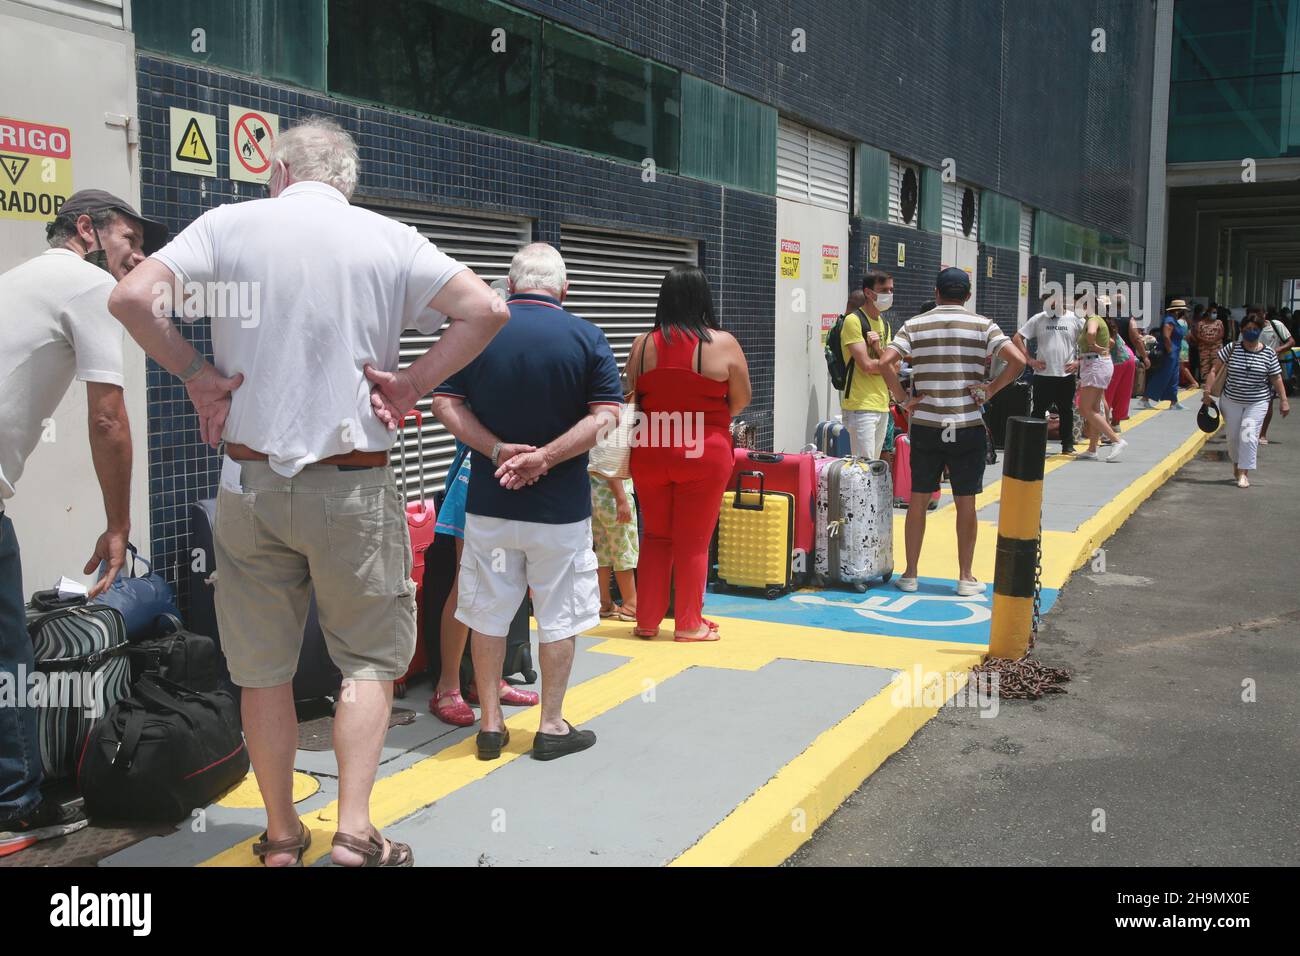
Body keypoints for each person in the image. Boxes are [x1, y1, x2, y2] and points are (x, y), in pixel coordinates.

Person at [109, 117, 508, 867]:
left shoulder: (226, 225)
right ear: (343, 181)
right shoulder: (388, 238)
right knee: (366, 662)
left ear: (281, 172)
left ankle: (283, 836)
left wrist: (198, 376)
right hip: (353, 487)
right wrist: (415, 381)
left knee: (261, 672)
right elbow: (487, 309)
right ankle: (353, 834)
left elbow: (132, 298)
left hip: (249, 484)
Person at [0, 190, 164, 859]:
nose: (139, 254)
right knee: (6, 654)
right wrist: (119, 525)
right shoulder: (89, 285)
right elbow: (108, 418)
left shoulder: (18, 282)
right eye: (130, 238)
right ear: (89, 231)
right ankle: (14, 806)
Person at [430, 242, 622, 763]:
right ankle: (551, 726)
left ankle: (491, 725)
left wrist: (494, 449)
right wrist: (548, 458)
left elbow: (444, 401)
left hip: (490, 506)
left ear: (509, 286)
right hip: (559, 514)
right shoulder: (587, 337)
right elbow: (606, 415)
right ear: (564, 289)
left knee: (487, 612)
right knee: (559, 616)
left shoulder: (478, 333)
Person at [879, 267, 1026, 596]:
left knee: (918, 500)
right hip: (966, 425)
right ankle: (965, 576)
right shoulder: (983, 325)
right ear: (968, 296)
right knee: (966, 502)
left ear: (936, 293)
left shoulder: (915, 325)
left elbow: (885, 363)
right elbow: (1017, 360)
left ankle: (911, 574)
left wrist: (903, 400)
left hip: (928, 425)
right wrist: (990, 389)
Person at [627, 264, 751, 642]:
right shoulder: (723, 343)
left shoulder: (642, 344)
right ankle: (688, 623)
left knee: (656, 536)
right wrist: (707, 422)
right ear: (703, 297)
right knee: (694, 539)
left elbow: (630, 395)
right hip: (703, 449)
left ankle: (647, 620)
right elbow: (741, 399)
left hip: (650, 448)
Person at [428, 441, 540, 727]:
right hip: (478, 473)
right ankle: (447, 685)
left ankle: (486, 681)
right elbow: (449, 407)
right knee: (468, 582)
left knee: (500, 585)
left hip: (514, 479)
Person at [1202, 314, 1289, 488]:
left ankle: (1244, 472)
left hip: (1257, 402)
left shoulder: (1269, 353)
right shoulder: (1232, 348)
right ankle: (1236, 465)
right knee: (1234, 437)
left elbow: (1276, 378)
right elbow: (1214, 370)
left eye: (1255, 329)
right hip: (1231, 400)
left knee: (1248, 434)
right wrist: (1207, 391)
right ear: (1241, 331)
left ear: (1260, 330)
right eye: (1247, 329)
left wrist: (1284, 400)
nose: (1251, 332)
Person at [1014, 289, 1083, 455]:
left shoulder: (1074, 319)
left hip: (1065, 375)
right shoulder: (1039, 319)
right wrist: (1029, 360)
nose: (1050, 308)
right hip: (1043, 375)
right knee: (1038, 411)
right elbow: (1017, 338)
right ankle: (1034, 444)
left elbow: (1090, 341)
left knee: (1066, 410)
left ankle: (1067, 444)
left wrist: (1078, 362)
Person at [839, 272, 895, 459]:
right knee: (864, 467)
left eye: (891, 289)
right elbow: (866, 365)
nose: (889, 294)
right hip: (860, 404)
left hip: (881, 404)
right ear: (869, 293)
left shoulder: (884, 324)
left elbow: (895, 368)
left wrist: (879, 349)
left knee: (874, 467)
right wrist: (885, 364)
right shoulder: (853, 321)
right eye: (884, 290)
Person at [1073, 302, 1127, 462]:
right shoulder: (1101, 320)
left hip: (1094, 365)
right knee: (1094, 409)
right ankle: (1092, 449)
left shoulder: (1093, 319)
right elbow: (1109, 342)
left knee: (1085, 409)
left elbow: (1091, 333)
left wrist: (1093, 346)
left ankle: (1116, 440)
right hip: (1099, 364)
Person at [590, 471, 639, 621]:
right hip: (614, 498)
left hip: (595, 496)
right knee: (623, 550)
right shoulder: (612, 445)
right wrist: (621, 498)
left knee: (602, 552)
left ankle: (604, 602)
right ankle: (631, 605)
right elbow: (611, 468)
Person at [1142, 299, 1189, 409]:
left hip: (1175, 353)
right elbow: (1166, 337)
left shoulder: (1173, 320)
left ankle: (1173, 402)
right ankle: (1145, 399)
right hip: (1169, 354)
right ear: (1178, 311)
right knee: (1162, 376)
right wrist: (1170, 351)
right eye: (1183, 310)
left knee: (1173, 378)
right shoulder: (1169, 321)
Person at [1256, 308, 1295, 445]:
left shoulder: (1276, 325)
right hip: (1252, 370)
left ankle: (1262, 434)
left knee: (1269, 402)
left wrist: (1275, 350)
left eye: (1259, 314)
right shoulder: (1248, 328)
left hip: (1271, 368)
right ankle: (1251, 431)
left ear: (1264, 314)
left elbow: (1291, 342)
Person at [1194, 302, 1226, 383]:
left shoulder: (1219, 322)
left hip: (1216, 348)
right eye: (1213, 313)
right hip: (1204, 349)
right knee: (1205, 366)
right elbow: (1197, 335)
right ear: (1208, 313)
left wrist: (1213, 340)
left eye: (1216, 313)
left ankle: (1215, 382)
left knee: (1216, 365)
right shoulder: (1201, 323)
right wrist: (1206, 341)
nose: (1215, 314)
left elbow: (1221, 333)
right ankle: (1205, 382)